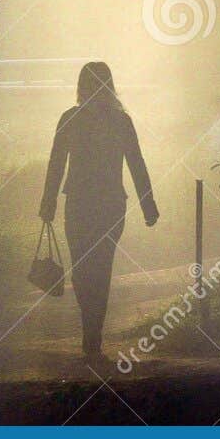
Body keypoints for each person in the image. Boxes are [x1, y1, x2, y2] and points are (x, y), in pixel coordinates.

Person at [38, 62, 158, 359]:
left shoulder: (71, 119)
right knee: (100, 269)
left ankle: (90, 332)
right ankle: (93, 334)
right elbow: (137, 164)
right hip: (110, 205)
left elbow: (56, 165)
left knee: (82, 271)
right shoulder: (120, 121)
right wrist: (148, 204)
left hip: (79, 205)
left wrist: (48, 202)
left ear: (81, 87)